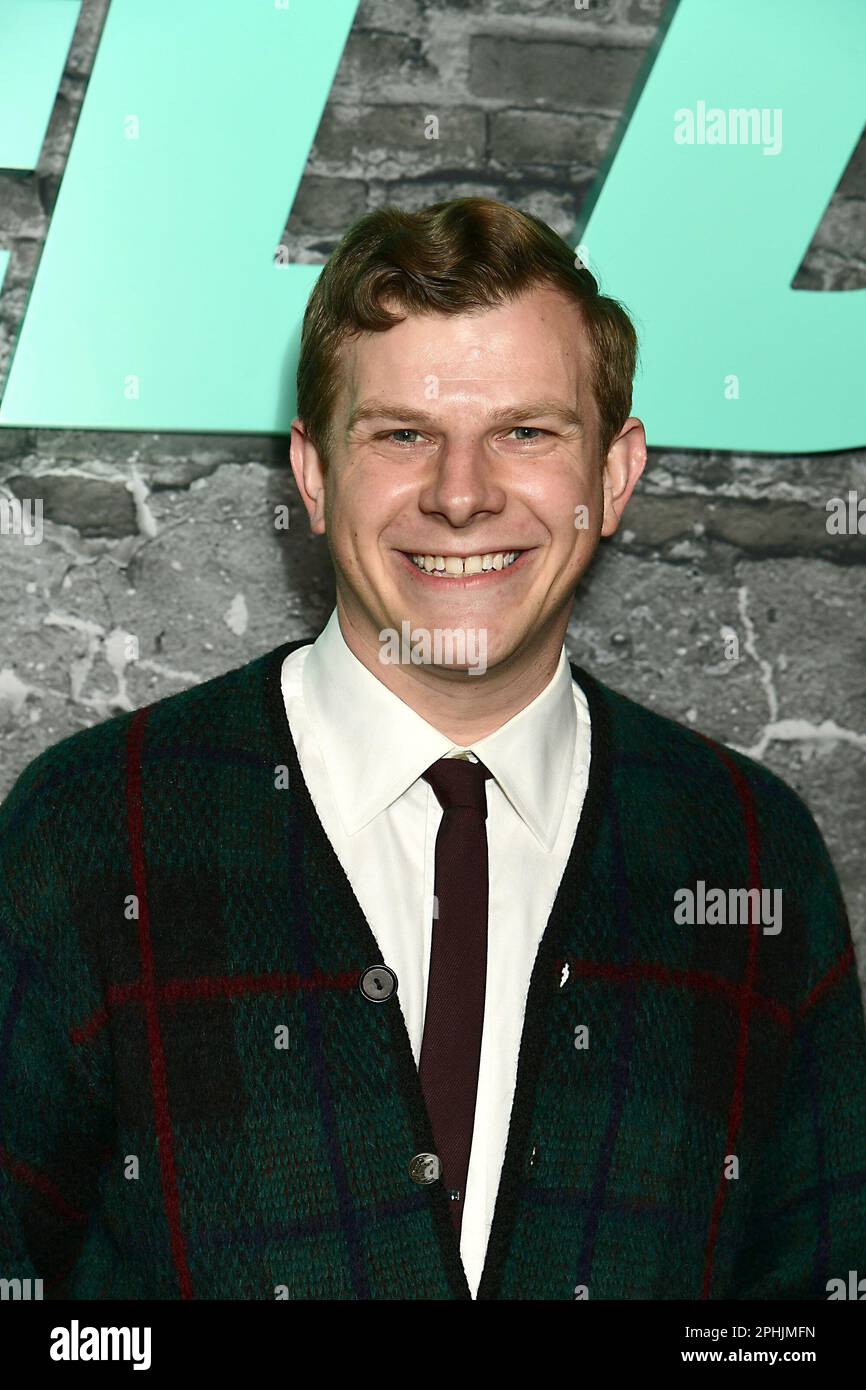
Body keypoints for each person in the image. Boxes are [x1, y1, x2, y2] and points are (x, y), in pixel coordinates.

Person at [1, 197, 864, 1301]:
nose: (462, 496)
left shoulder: (745, 851)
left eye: (526, 432)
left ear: (612, 475)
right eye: (402, 434)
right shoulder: (90, 829)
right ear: (313, 475)